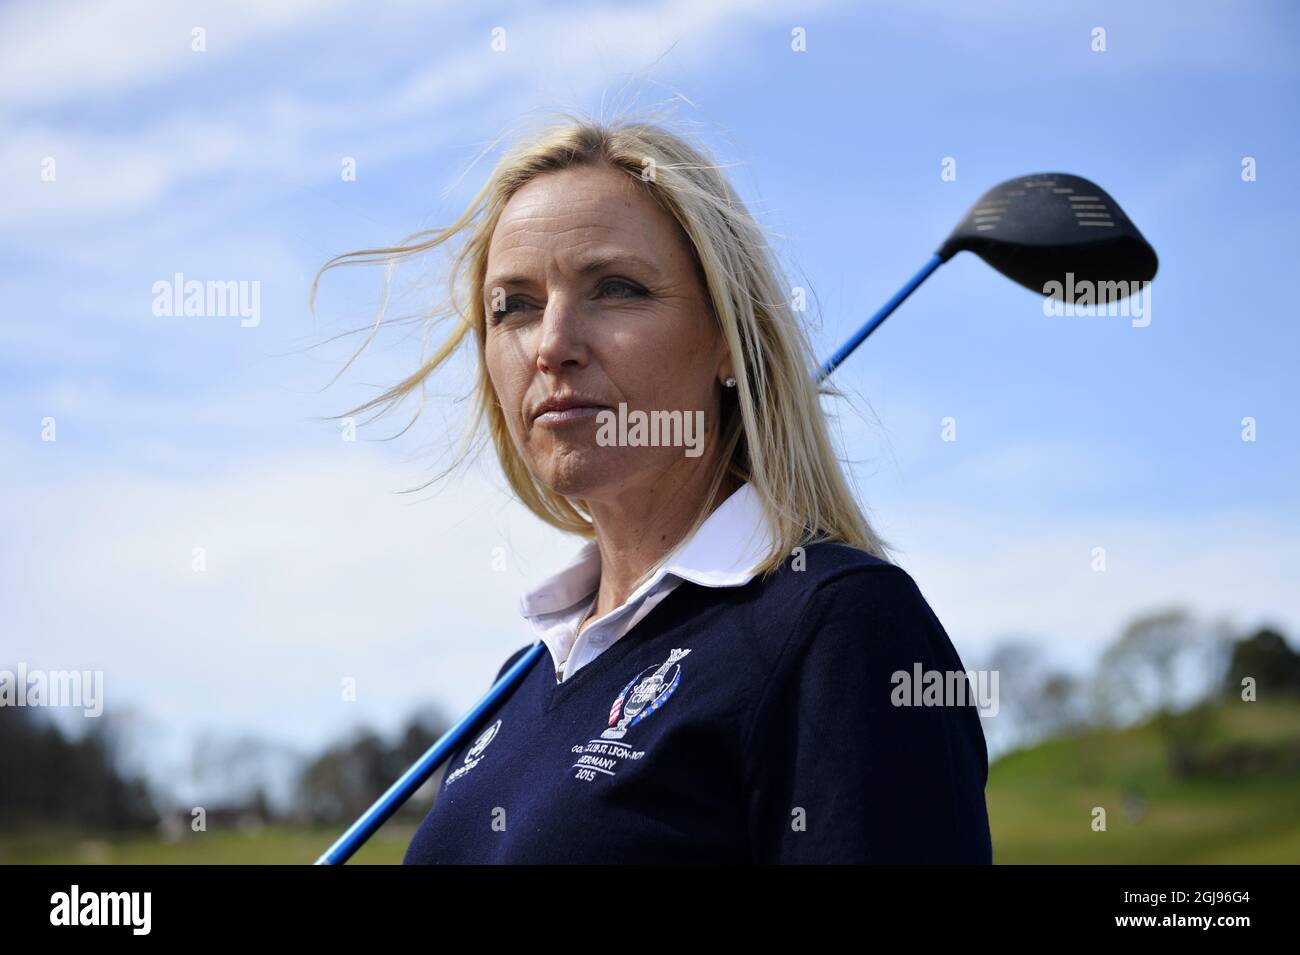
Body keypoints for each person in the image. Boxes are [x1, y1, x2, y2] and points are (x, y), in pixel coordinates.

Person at [312, 115, 993, 864]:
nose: (552, 345)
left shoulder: (844, 625)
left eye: (615, 288)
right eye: (515, 304)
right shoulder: (520, 677)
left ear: (730, 339)